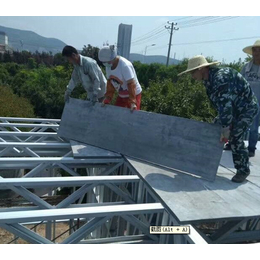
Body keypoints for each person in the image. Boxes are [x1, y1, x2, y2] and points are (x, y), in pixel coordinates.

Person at [178, 55, 259, 183]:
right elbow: (220, 105)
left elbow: (225, 105)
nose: (192, 76)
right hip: (233, 108)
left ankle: (243, 170)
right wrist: (222, 125)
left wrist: (226, 128)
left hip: (246, 109)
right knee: (213, 130)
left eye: (193, 72)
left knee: (235, 136)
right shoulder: (208, 80)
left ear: (202, 69)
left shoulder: (220, 78)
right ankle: (205, 164)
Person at [98, 45, 142, 111]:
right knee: (117, 113)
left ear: (113, 58)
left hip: (134, 94)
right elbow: (110, 83)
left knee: (132, 115)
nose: (106, 64)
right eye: (104, 62)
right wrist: (108, 97)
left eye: (108, 62)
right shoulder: (108, 66)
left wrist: (133, 102)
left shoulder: (124, 66)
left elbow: (131, 84)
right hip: (122, 95)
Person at [241, 40, 260, 157]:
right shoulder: (246, 67)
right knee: (239, 123)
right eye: (255, 50)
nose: (257, 53)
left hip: (258, 103)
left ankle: (251, 148)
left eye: (259, 50)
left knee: (254, 126)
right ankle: (233, 143)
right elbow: (239, 83)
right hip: (244, 102)